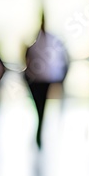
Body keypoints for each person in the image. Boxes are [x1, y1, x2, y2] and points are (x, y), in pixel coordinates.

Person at [24, 13, 70, 149]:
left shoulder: (50, 41)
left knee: (41, 107)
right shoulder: (36, 42)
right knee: (39, 107)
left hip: (44, 80)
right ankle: (39, 132)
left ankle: (39, 133)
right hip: (37, 80)